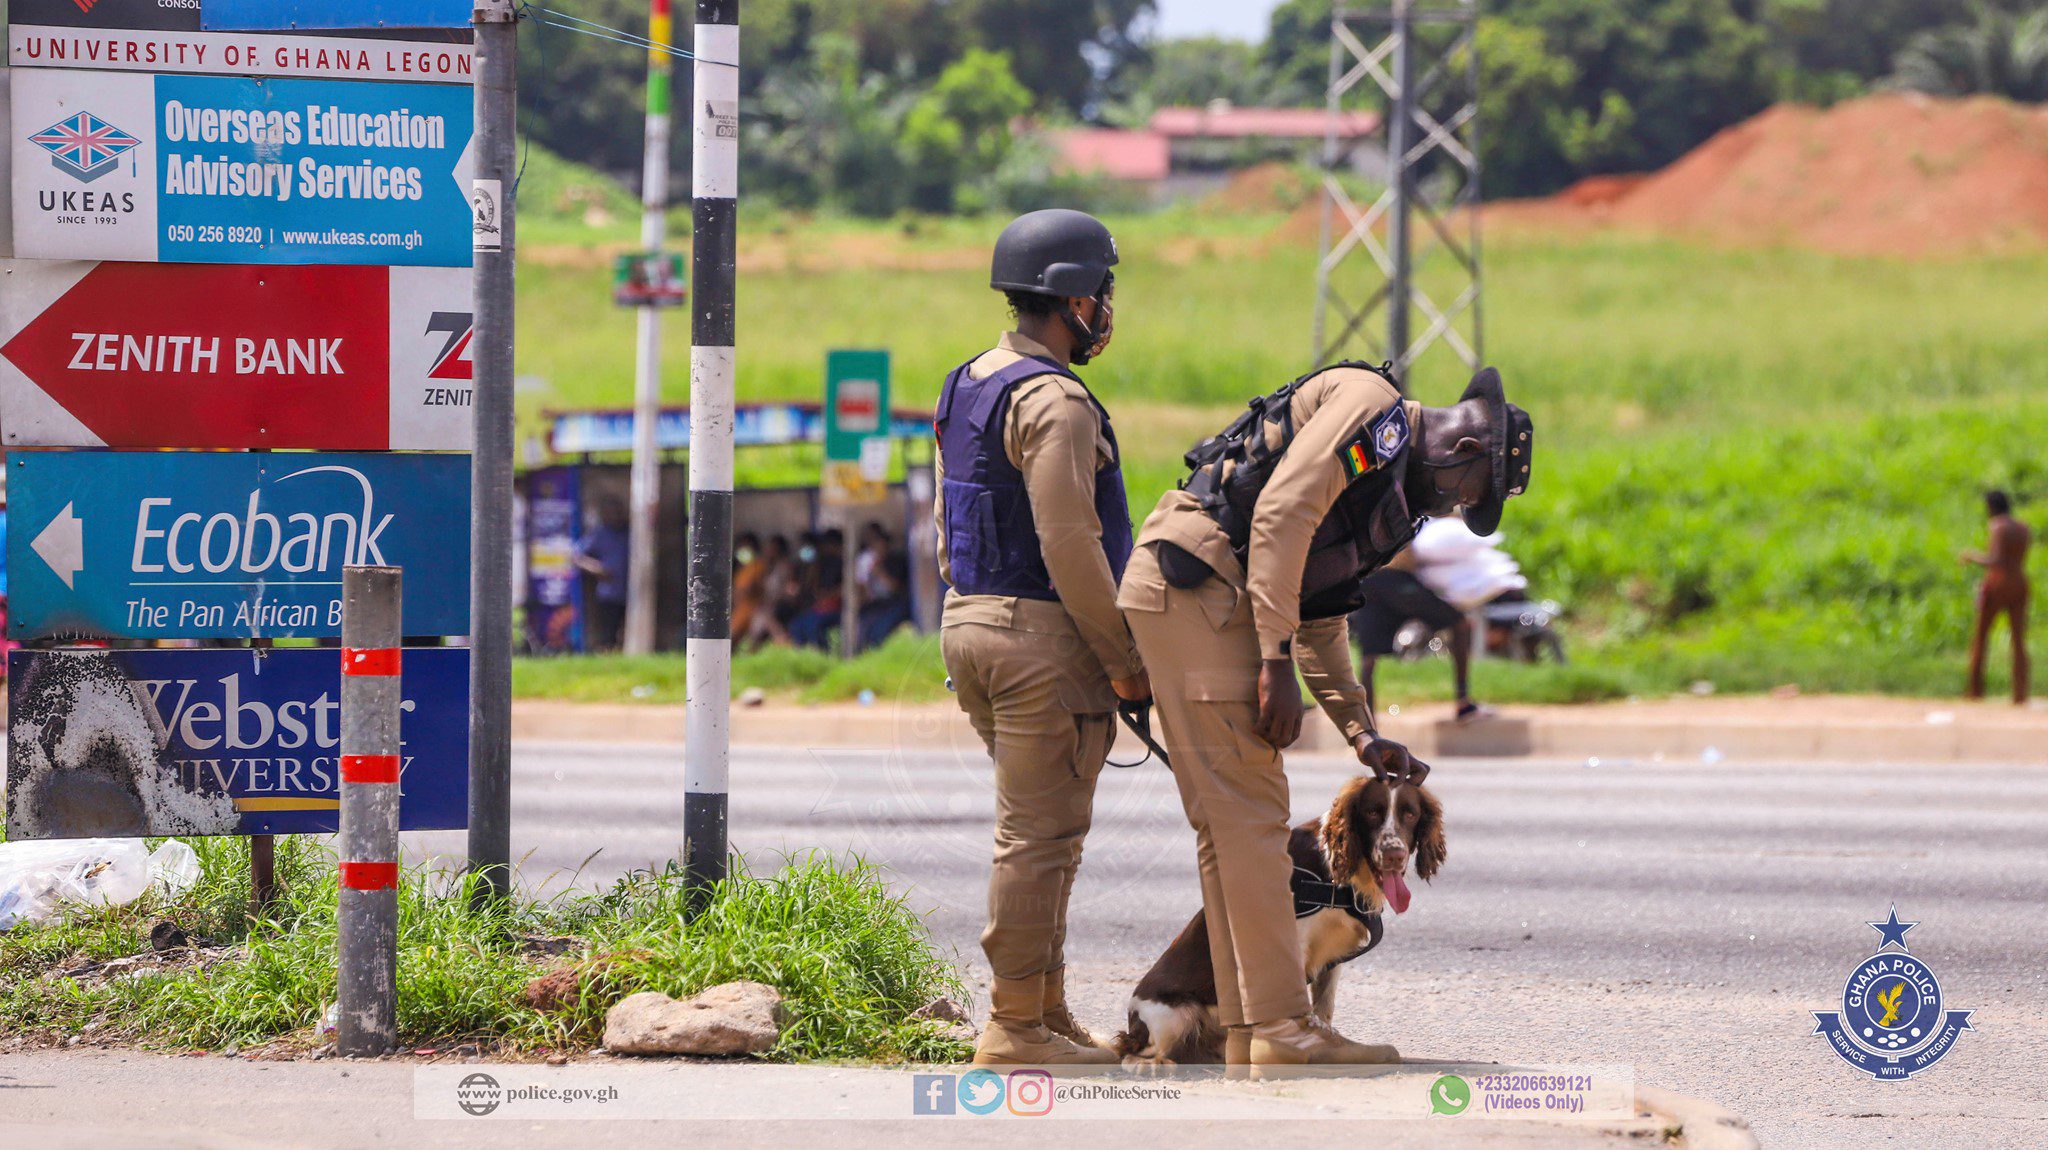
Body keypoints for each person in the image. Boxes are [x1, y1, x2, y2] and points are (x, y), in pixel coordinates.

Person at [1118, 362, 1531, 1077]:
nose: (1461, 507)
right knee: (1252, 821)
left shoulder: (1388, 472)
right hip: (1201, 589)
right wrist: (1274, 659)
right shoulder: (1374, 412)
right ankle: (1282, 1029)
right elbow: (1279, 518)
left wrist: (1360, 730)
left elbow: (1324, 604)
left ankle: (1254, 1029)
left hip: (1211, 594)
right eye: (1473, 496)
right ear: (1465, 454)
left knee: (1235, 830)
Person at [936, 208, 1147, 1066]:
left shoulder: (970, 379)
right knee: (1038, 838)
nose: (1105, 308)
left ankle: (1046, 1010)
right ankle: (1015, 1026)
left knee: (1049, 829)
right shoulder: (1055, 401)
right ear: (1069, 299)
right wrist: (1126, 664)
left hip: (971, 623)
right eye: (1100, 293)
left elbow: (949, 514)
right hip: (1041, 640)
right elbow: (1070, 544)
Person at [1351, 514, 1527, 722]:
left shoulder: (1364, 504)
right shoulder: (1401, 499)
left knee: (1369, 657)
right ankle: (1463, 703)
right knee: (1460, 624)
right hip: (1397, 581)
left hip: (1367, 582)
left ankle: (1367, 727)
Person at [1962, 489, 2030, 704]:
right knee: (2018, 640)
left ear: (1991, 506)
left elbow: (1996, 559)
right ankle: (2020, 693)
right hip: (2020, 583)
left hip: (1998, 583)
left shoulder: (1998, 526)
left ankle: (1975, 691)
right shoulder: (2023, 528)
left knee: (1981, 637)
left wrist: (1972, 556)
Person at [573, 499, 631, 652]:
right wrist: (597, 568)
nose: (616, 516)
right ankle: (608, 654)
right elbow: (577, 556)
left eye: (618, 512)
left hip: (632, 592)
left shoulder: (630, 533)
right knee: (609, 629)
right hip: (610, 592)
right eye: (612, 513)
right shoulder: (600, 534)